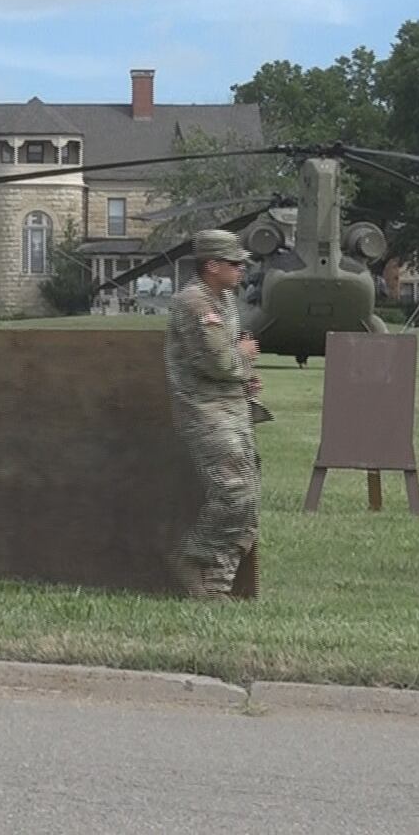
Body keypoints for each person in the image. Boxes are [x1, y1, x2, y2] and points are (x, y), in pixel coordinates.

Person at [164, 228, 263, 599]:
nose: (241, 270)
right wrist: (244, 357)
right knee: (235, 494)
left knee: (248, 502)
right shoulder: (194, 302)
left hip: (230, 410)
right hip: (205, 414)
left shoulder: (222, 301)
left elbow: (227, 363)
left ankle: (215, 588)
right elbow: (218, 361)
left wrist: (246, 378)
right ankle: (193, 555)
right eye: (235, 263)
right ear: (212, 265)